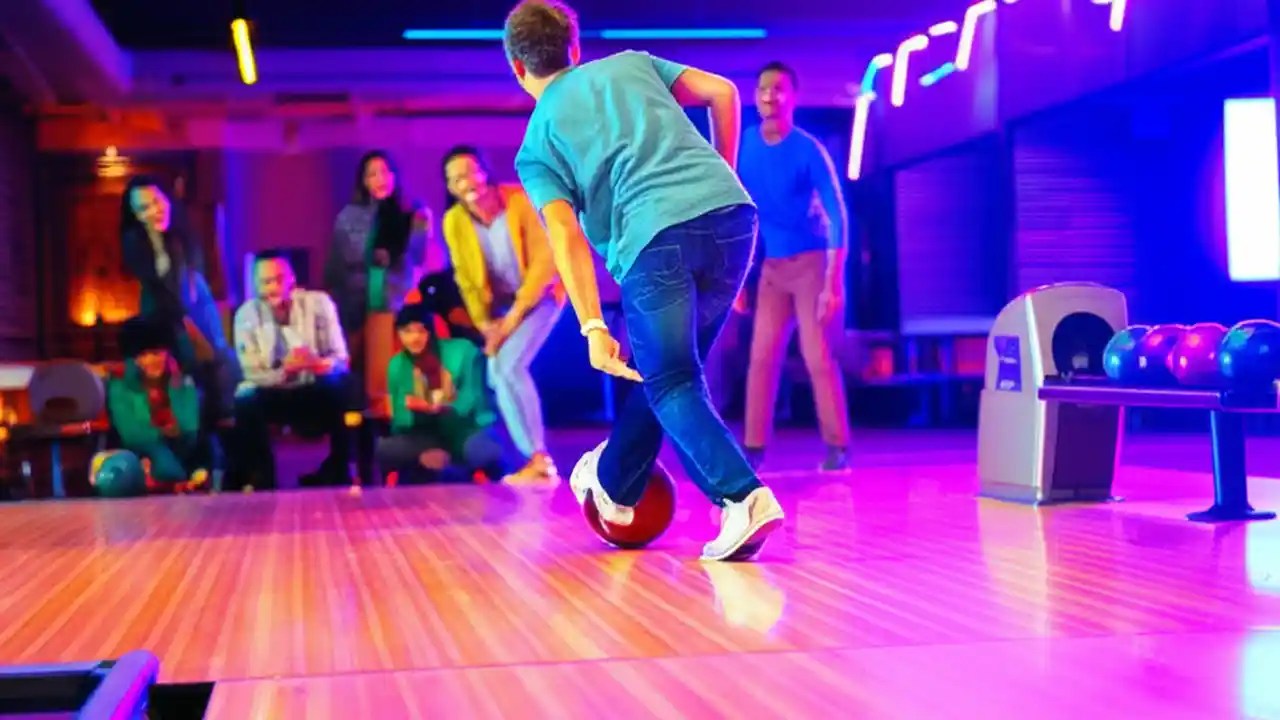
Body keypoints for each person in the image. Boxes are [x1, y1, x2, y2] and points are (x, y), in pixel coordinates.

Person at [503, 0, 785, 561]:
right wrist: (721, 173)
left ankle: (743, 497)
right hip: (733, 221)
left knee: (671, 380)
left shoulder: (537, 145)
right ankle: (614, 483)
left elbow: (564, 235)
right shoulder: (632, 64)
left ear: (517, 67)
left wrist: (590, 325)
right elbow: (725, 92)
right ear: (574, 49)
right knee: (667, 371)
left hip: (656, 242)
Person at [737, 61, 852, 472]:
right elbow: (737, 215)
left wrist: (832, 283)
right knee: (761, 356)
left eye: (780, 89)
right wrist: (736, 282)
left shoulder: (808, 150)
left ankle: (837, 447)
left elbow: (838, 217)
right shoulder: (744, 146)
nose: (771, 95)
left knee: (816, 356)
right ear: (756, 96)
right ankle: (753, 450)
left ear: (793, 97)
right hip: (772, 268)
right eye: (764, 88)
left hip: (812, 265)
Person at [440, 144, 565, 486]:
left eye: (470, 171)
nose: (465, 181)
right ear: (450, 188)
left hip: (541, 297)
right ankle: (535, 460)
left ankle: (539, 459)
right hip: (501, 308)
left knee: (509, 365)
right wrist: (484, 325)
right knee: (497, 370)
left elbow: (545, 263)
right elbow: (465, 278)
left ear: (484, 173)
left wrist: (507, 326)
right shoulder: (454, 221)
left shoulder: (519, 201)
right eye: (456, 178)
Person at [119, 175, 241, 424]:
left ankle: (222, 425)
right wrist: (186, 324)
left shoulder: (185, 230)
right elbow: (158, 288)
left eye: (156, 201)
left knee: (221, 360)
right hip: (162, 312)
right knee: (184, 368)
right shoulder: (134, 241)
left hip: (195, 302)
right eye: (143, 208)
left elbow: (196, 280)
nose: (154, 211)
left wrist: (198, 325)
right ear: (135, 216)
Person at [233, 252, 353, 488]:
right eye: (265, 282)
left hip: (313, 385)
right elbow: (251, 372)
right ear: (255, 285)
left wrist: (315, 364)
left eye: (279, 279)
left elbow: (341, 358)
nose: (273, 287)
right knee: (245, 400)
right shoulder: (246, 315)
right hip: (273, 390)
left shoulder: (320, 304)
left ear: (292, 279)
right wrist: (284, 371)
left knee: (343, 386)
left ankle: (338, 473)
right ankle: (262, 478)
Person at [325, 150, 431, 404]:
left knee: (381, 371)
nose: (380, 179)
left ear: (395, 175)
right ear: (363, 181)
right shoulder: (348, 216)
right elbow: (337, 262)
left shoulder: (413, 212)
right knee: (346, 362)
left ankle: (381, 416)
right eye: (372, 174)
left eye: (385, 172)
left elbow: (418, 258)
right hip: (350, 298)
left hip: (391, 298)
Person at [376, 303, 508, 483]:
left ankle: (452, 467)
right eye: (407, 331)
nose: (414, 338)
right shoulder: (397, 365)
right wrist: (413, 410)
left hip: (465, 431)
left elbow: (473, 397)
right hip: (424, 436)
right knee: (383, 449)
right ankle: (433, 461)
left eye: (421, 331)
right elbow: (398, 418)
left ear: (432, 332)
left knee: (487, 453)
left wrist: (445, 408)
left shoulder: (463, 351)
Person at [106, 315, 222, 492]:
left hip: (181, 446)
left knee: (210, 448)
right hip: (142, 451)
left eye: (157, 353)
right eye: (144, 355)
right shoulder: (120, 384)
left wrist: (177, 430)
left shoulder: (182, 380)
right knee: (158, 458)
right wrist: (160, 432)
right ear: (134, 359)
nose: (152, 360)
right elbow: (131, 433)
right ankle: (177, 481)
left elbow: (191, 426)